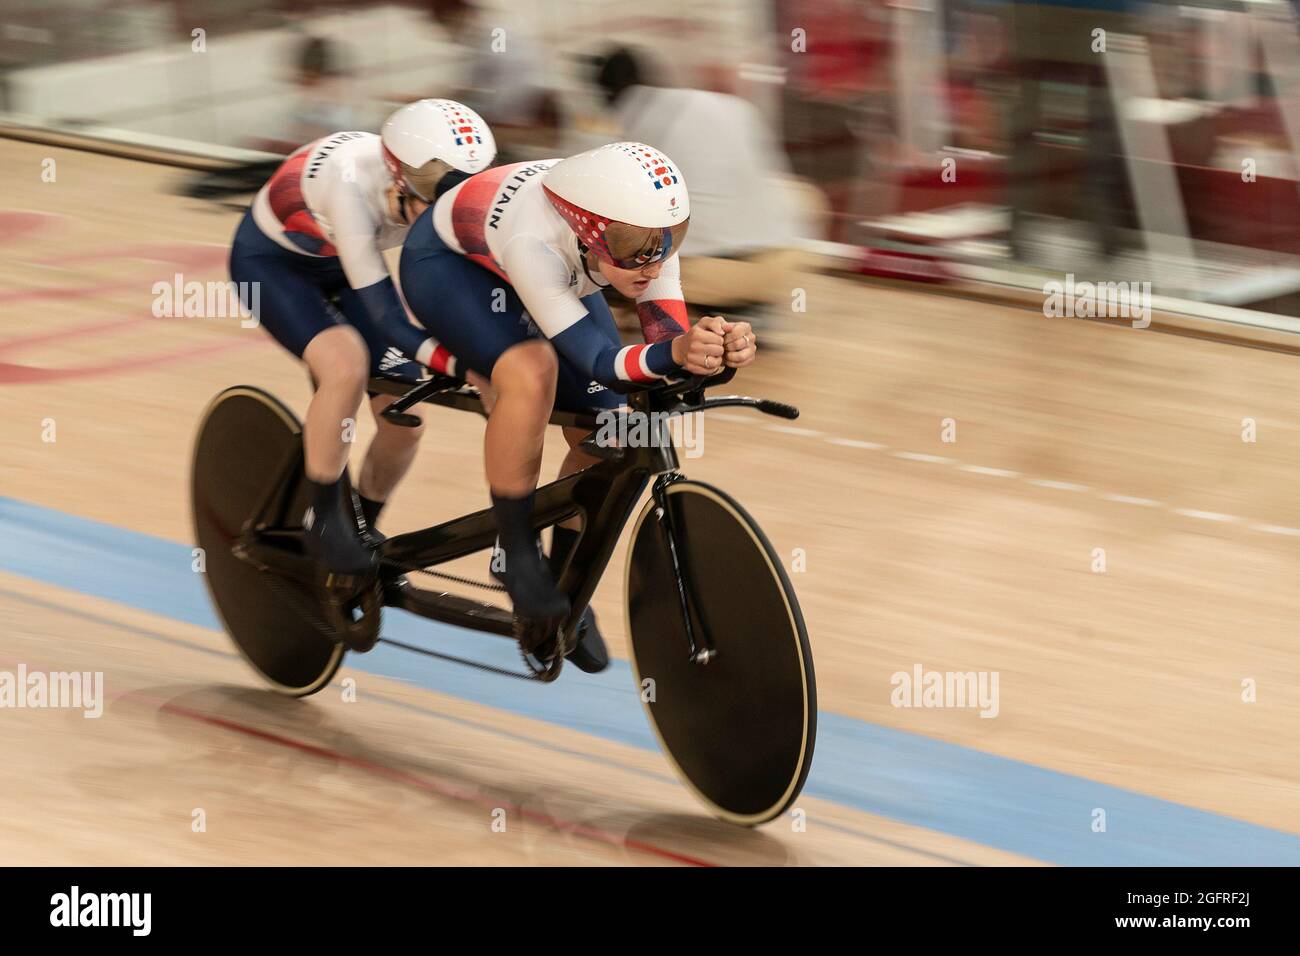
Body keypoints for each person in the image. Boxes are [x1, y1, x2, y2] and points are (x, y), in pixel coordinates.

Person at [399, 142, 757, 671]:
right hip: (451, 269)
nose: (653, 260)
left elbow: (668, 351)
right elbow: (599, 361)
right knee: (531, 373)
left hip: (558, 267)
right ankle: (519, 555)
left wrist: (714, 351)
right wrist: (676, 352)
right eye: (633, 246)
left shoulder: (640, 233)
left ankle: (567, 590)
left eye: (669, 239)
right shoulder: (536, 242)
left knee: (613, 429)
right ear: (589, 230)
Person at [228, 99, 497, 577]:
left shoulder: (422, 189)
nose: (446, 216)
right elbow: (388, 317)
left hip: (342, 261)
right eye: (434, 201)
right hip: (272, 265)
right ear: (399, 180)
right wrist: (461, 364)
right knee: (346, 364)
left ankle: (361, 523)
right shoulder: (350, 183)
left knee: (405, 418)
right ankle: (324, 519)